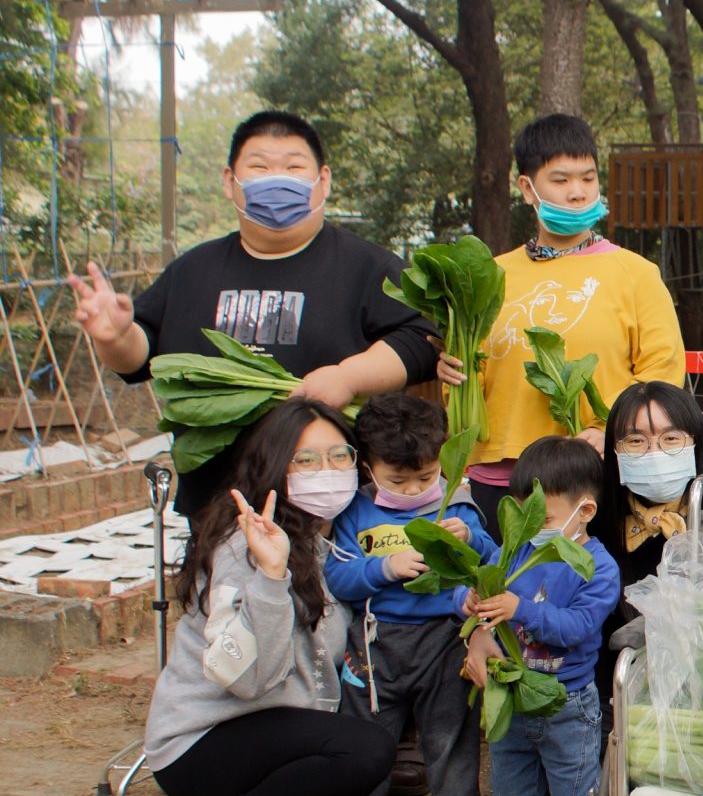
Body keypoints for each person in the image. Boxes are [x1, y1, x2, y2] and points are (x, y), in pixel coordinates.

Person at [69, 110, 439, 518]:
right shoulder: (193, 271)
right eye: (260, 167)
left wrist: (347, 378)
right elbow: (141, 358)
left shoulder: (367, 266)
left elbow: (422, 340)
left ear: (323, 181)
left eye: (294, 167)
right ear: (231, 182)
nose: (277, 179)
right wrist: (115, 337)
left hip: (336, 508)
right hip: (218, 504)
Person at [144, 399, 394, 796]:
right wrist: (272, 577)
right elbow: (253, 680)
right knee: (364, 752)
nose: (326, 472)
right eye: (305, 460)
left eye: (338, 456)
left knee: (383, 754)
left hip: (264, 729)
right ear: (274, 467)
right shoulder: (247, 546)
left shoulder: (332, 541)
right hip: (198, 744)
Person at [442, 114, 686, 536]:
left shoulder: (635, 273)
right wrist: (450, 374)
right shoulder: (488, 276)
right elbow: (469, 380)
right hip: (498, 481)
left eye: (588, 178)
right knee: (502, 598)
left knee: (590, 598)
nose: (577, 193)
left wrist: (611, 433)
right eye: (560, 180)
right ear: (527, 188)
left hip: (591, 477)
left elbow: (662, 374)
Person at [317, 393, 500, 796]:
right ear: (368, 467)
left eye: (425, 477)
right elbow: (337, 575)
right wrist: (382, 569)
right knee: (364, 743)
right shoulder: (354, 513)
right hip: (377, 648)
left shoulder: (455, 502)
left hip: (443, 642)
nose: (415, 490)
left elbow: (489, 563)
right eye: (398, 482)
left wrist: (472, 539)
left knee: (450, 740)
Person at [461, 436, 621, 796]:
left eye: (545, 519)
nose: (533, 530)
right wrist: (470, 608)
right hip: (510, 694)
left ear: (585, 510)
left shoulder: (598, 568)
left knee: (577, 794)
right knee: (511, 790)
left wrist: (520, 609)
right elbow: (479, 596)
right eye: (524, 517)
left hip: (566, 702)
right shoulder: (514, 554)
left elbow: (576, 629)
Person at [587, 380, 703, 730]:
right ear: (614, 451)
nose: (653, 452)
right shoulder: (596, 527)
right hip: (620, 708)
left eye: (671, 439)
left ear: (694, 443)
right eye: (635, 441)